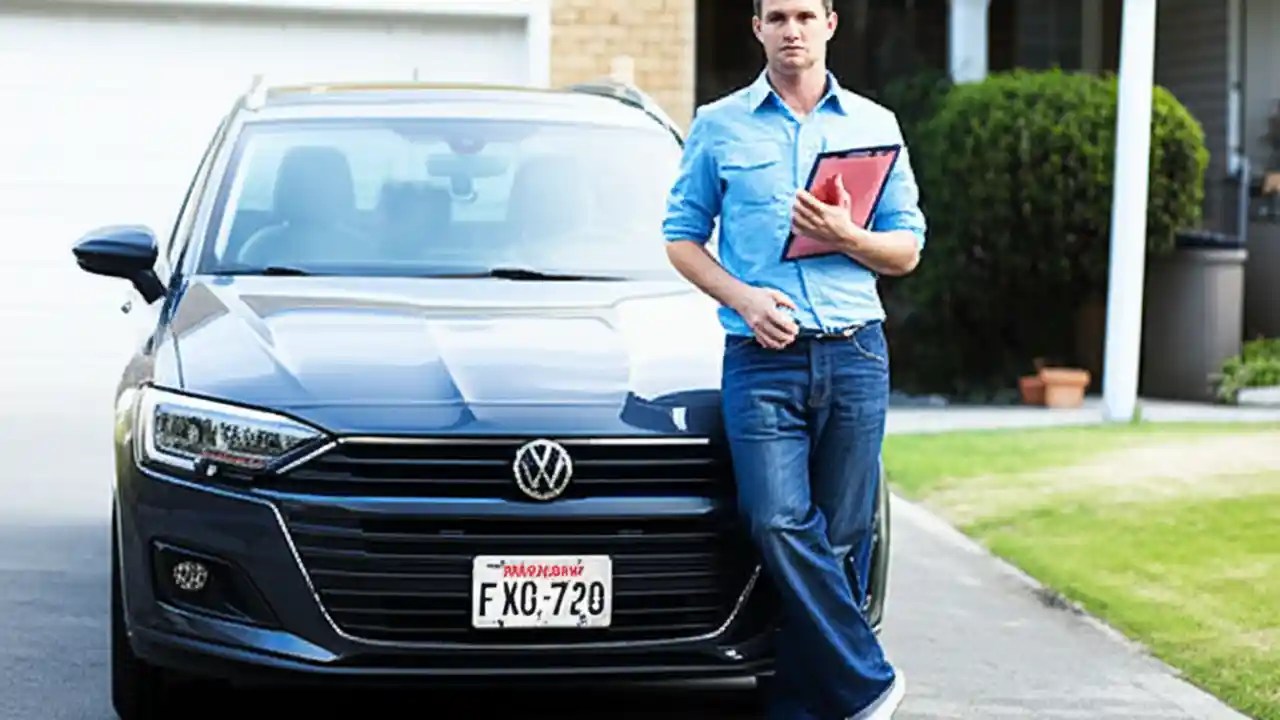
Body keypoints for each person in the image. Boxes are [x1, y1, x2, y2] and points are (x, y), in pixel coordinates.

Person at [661, 0, 926, 718]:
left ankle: (800, 706)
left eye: (806, 15)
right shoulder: (719, 125)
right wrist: (743, 298)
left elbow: (906, 247)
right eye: (777, 16)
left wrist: (847, 234)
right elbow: (681, 238)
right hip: (761, 358)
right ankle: (869, 679)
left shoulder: (875, 126)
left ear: (831, 24)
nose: (792, 30)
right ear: (757, 28)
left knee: (840, 541)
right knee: (777, 522)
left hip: (855, 355)